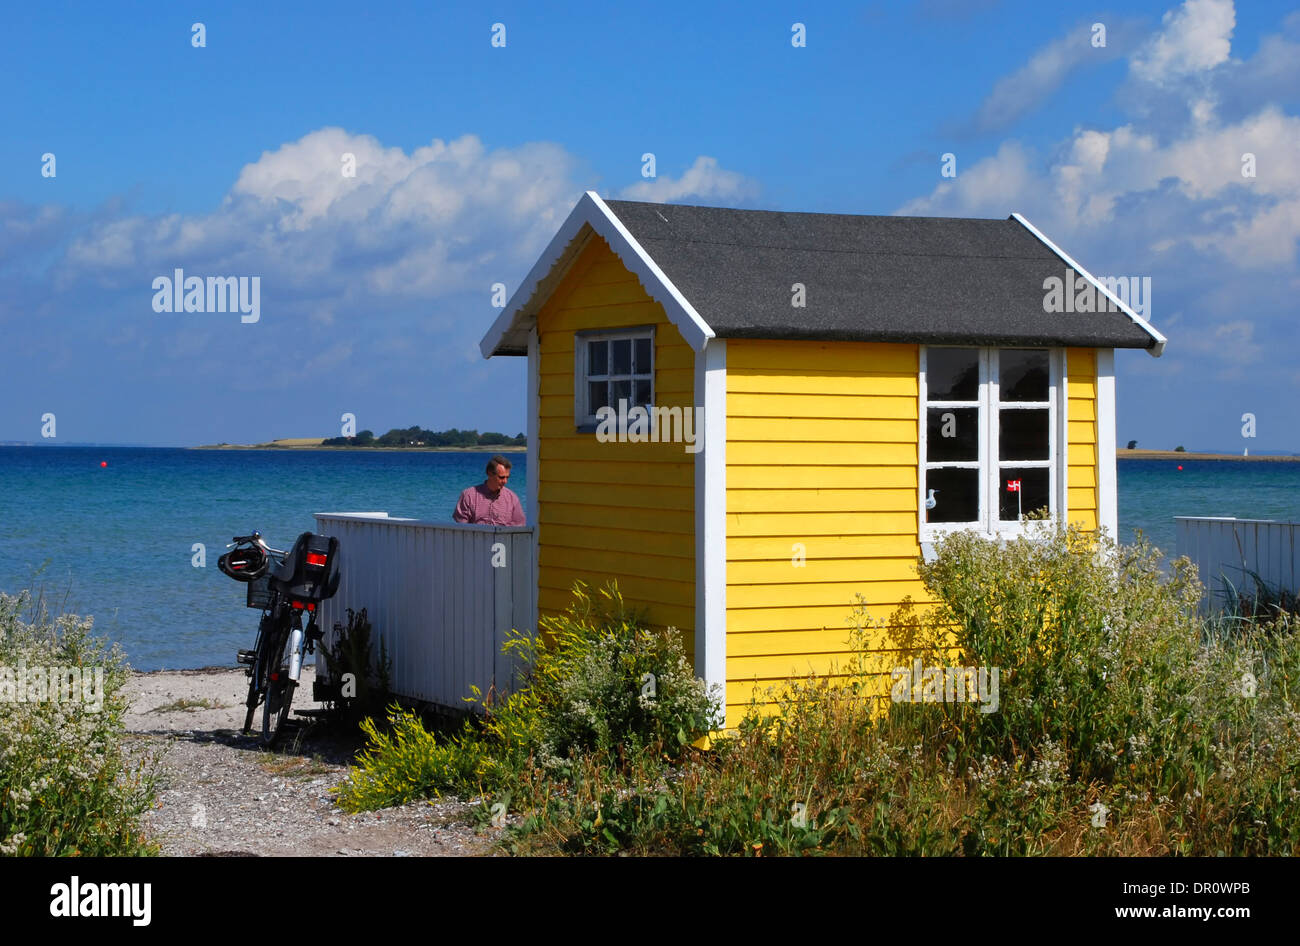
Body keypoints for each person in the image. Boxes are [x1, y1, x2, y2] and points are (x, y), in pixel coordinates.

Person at [452, 455, 525, 525]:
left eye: (507, 477)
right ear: (489, 473)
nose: (505, 481)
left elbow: (519, 526)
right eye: (501, 477)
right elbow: (461, 527)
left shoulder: (512, 498)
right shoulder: (468, 496)